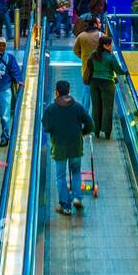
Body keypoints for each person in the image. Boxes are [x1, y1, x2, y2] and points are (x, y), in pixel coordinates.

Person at [42, 78, 93, 214]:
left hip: (59, 148)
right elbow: (90, 123)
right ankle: (77, 198)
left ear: (56, 93)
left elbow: (46, 127)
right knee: (76, 172)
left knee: (60, 176)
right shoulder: (77, 106)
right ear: (68, 92)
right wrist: (83, 133)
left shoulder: (51, 109)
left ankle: (65, 206)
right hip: (76, 146)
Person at [87, 35, 125, 140]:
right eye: (110, 44)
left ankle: (96, 130)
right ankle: (107, 131)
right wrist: (125, 72)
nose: (111, 46)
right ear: (105, 45)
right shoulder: (110, 57)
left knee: (96, 107)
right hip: (107, 83)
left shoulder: (93, 55)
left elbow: (89, 67)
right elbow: (118, 70)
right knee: (107, 108)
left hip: (94, 82)